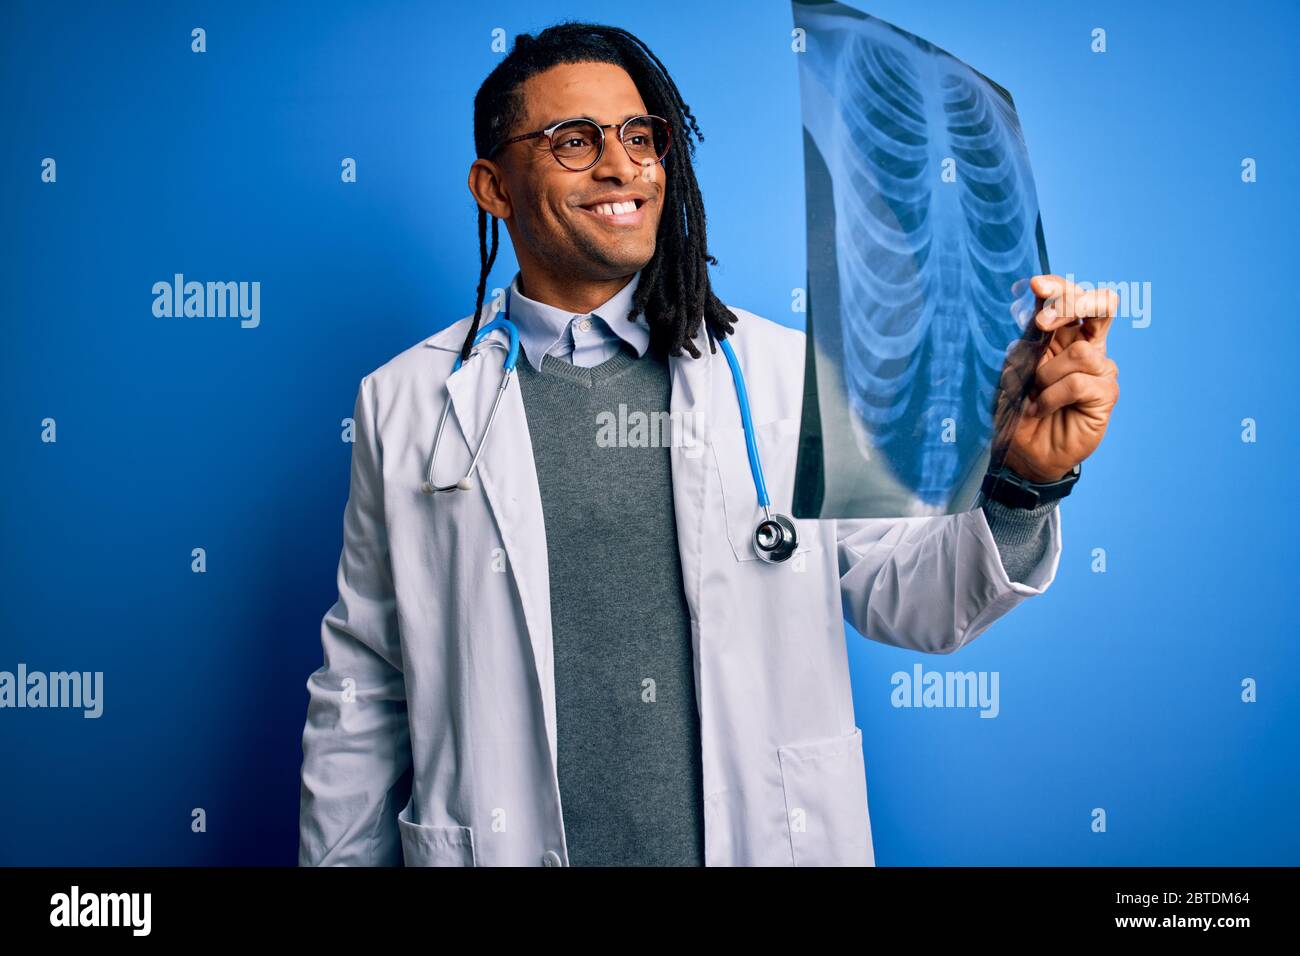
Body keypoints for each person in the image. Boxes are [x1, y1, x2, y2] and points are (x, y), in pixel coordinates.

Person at [298, 22, 1119, 867]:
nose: (621, 166)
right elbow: (363, 685)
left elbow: (913, 597)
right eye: (574, 141)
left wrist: (1023, 480)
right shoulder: (405, 403)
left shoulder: (782, 377)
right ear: (493, 187)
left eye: (640, 136)